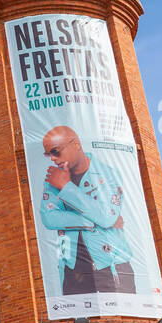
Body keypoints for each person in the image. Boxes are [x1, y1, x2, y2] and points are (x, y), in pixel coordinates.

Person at [39, 124, 136, 296]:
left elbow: (106, 217)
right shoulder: (53, 179)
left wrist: (66, 187)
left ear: (76, 144)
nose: (52, 159)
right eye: (48, 154)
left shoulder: (107, 174)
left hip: (111, 266)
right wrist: (91, 221)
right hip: (72, 270)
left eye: (56, 151)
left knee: (119, 322)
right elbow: (49, 218)